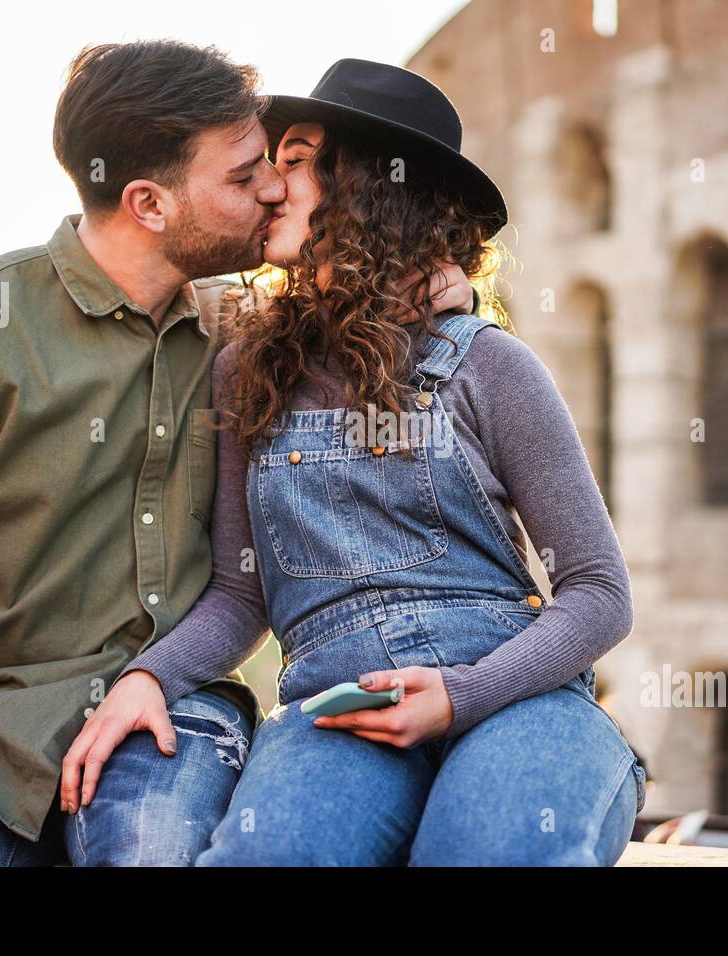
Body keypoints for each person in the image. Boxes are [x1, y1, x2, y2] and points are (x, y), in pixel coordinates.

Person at [0, 39, 473, 867]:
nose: (274, 186)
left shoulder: (252, 338)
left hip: (173, 721)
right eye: (242, 178)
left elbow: (377, 338)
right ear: (150, 203)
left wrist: (439, 295)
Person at [63, 59, 646, 866]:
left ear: (368, 188)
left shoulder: (488, 366)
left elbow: (600, 594)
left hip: (515, 698)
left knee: (488, 849)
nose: (270, 183)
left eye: (296, 161)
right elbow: (242, 594)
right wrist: (149, 677)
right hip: (337, 712)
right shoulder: (249, 370)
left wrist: (462, 695)